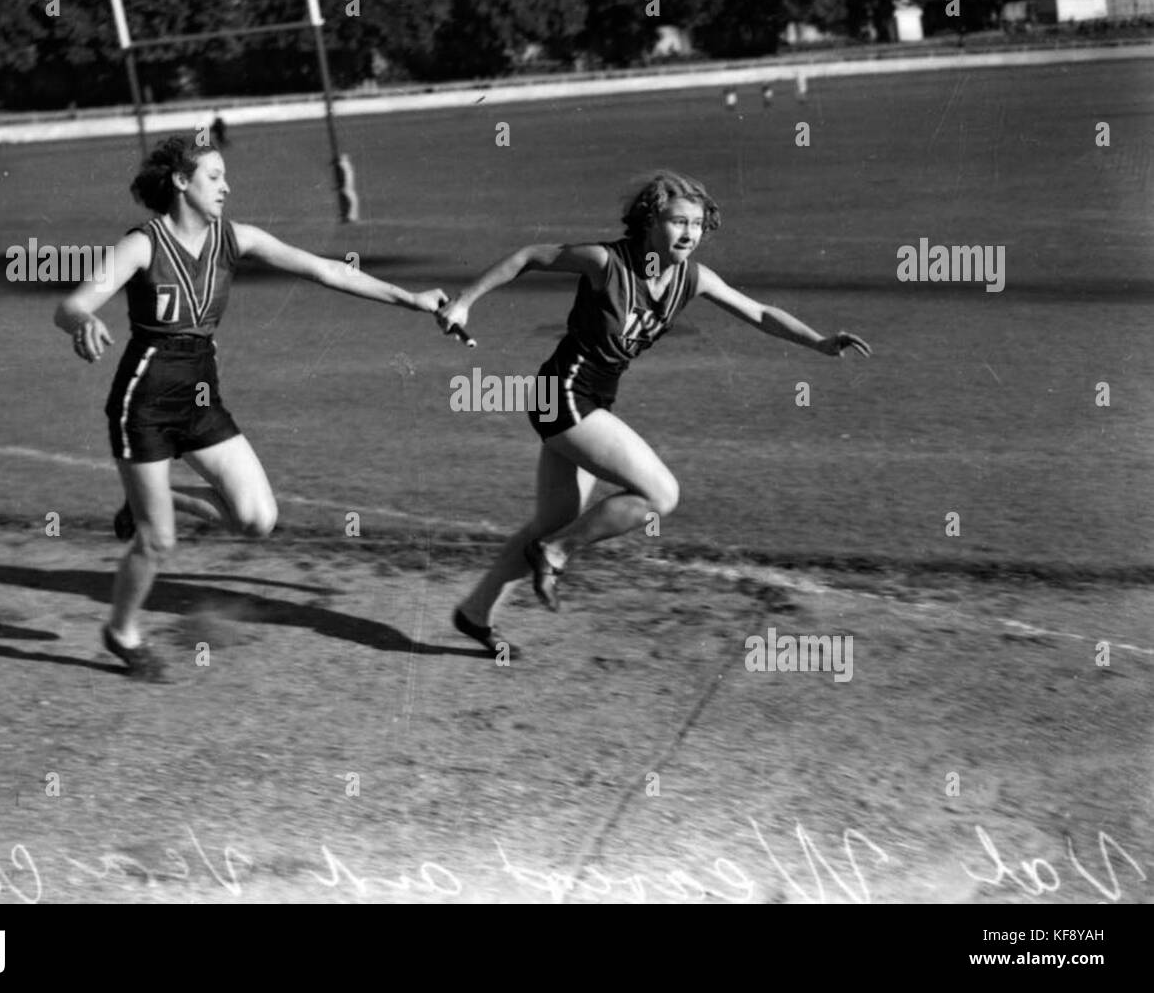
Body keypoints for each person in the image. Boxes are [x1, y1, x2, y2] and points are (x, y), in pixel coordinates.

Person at [55, 135, 447, 679]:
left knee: (257, 518)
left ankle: (149, 500)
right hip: (142, 401)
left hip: (199, 397)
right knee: (159, 540)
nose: (226, 186)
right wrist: (85, 321)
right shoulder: (143, 245)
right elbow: (72, 303)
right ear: (181, 182)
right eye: (214, 176)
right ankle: (122, 631)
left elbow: (328, 271)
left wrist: (413, 299)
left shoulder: (236, 239)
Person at [435, 170, 870, 655]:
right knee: (660, 495)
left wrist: (819, 342)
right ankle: (555, 554)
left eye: (698, 224)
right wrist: (465, 302)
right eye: (678, 221)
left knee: (554, 519)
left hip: (592, 399)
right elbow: (528, 257)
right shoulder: (605, 262)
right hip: (563, 394)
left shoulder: (693, 278)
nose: (689, 233)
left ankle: (474, 613)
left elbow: (759, 312)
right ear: (648, 221)